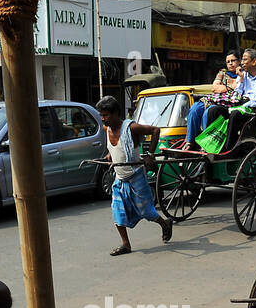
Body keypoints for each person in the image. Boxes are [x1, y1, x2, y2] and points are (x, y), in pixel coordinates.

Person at [97, 94, 174, 256]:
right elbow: (116, 148)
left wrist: (150, 155)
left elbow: (155, 130)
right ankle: (126, 244)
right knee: (117, 211)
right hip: (120, 177)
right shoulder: (107, 129)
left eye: (106, 115)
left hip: (136, 176)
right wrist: (110, 155)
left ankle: (165, 224)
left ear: (116, 113)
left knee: (146, 210)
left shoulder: (130, 127)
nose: (103, 119)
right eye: (101, 115)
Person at [201, 48, 256, 154]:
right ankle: (210, 143)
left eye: (245, 60)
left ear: (254, 62)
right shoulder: (244, 75)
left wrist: (243, 106)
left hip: (254, 109)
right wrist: (240, 78)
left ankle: (228, 147)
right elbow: (237, 93)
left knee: (235, 114)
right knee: (214, 110)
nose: (242, 62)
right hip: (238, 103)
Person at [184, 51, 241, 148]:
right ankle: (190, 141)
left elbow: (237, 86)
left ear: (239, 61)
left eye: (233, 61)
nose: (230, 63)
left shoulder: (242, 74)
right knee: (194, 109)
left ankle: (206, 142)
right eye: (228, 62)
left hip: (228, 103)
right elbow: (214, 88)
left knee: (208, 113)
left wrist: (223, 87)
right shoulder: (222, 73)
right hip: (213, 98)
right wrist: (230, 86)